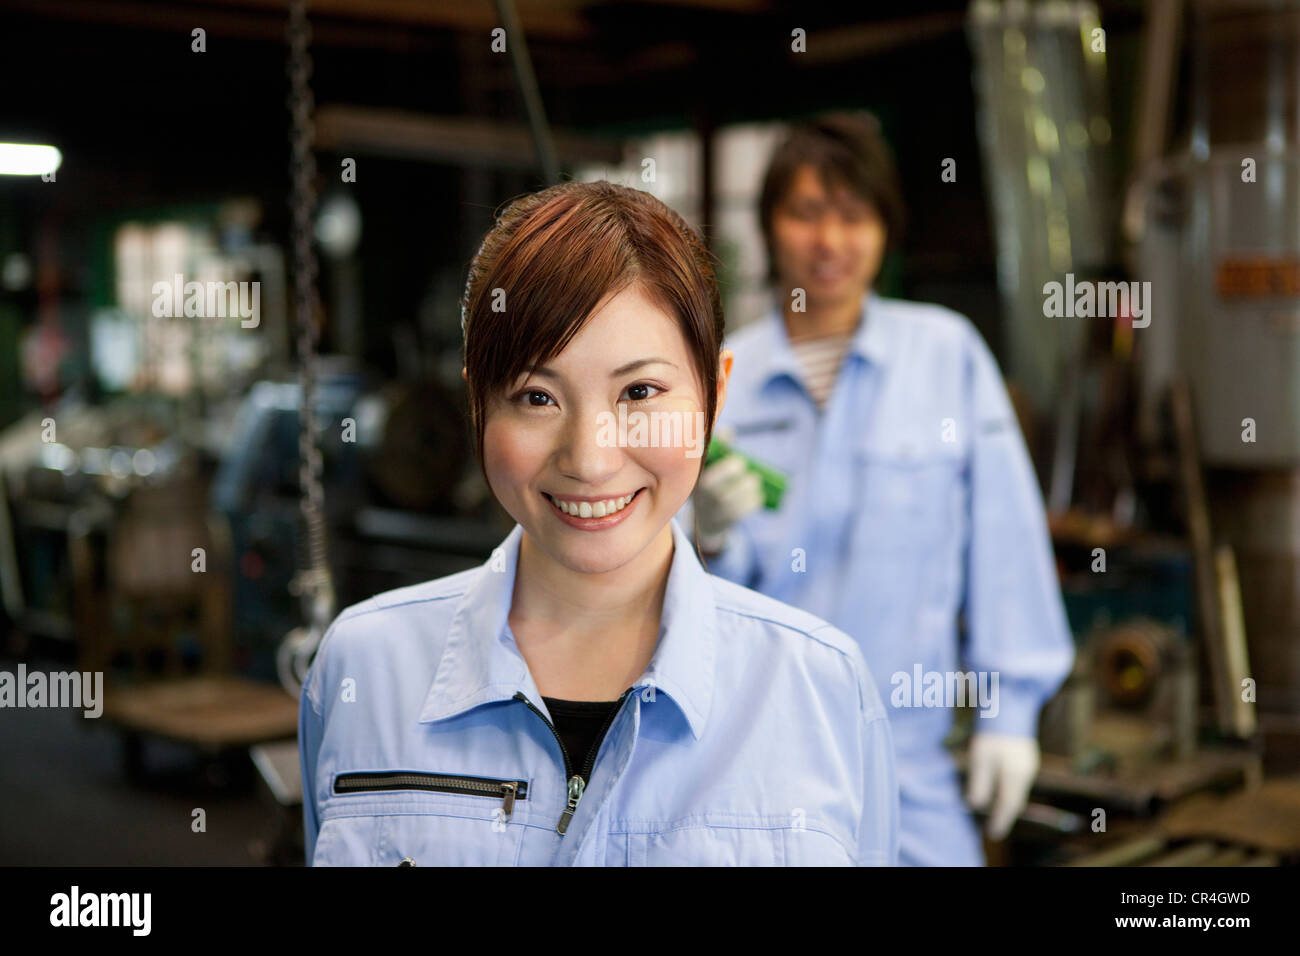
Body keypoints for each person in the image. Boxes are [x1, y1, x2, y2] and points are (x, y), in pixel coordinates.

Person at [298, 180, 898, 866]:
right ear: (476, 404)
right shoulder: (364, 669)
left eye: (640, 391)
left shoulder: (820, 690)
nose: (589, 458)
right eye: (536, 396)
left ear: (716, 392)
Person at [681, 114, 1074, 866]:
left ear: (885, 230)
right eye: (805, 213)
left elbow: (1005, 536)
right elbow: (677, 594)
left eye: (853, 216)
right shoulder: (723, 375)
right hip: (755, 756)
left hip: (910, 758)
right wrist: (708, 536)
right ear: (769, 226)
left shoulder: (946, 354)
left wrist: (1010, 712)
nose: (830, 241)